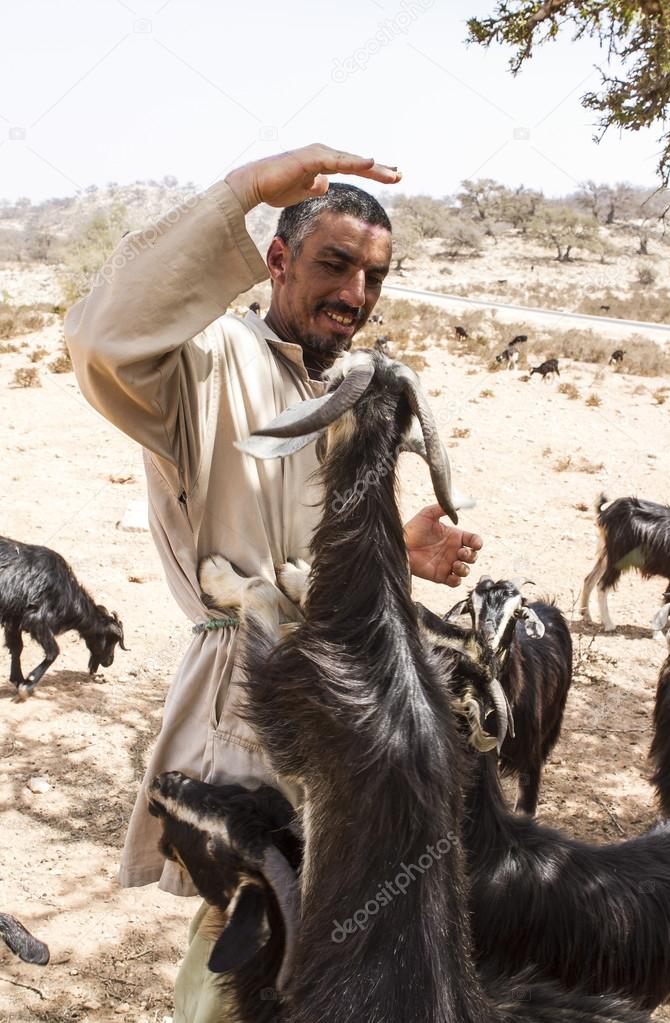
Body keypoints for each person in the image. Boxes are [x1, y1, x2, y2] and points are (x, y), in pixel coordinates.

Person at [65, 143, 482, 1021]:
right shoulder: (208, 362)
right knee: (245, 942)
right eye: (335, 265)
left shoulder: (343, 387)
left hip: (346, 715)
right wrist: (244, 191)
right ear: (278, 259)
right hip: (251, 705)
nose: (355, 296)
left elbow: (310, 550)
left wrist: (397, 555)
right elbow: (100, 338)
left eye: (373, 276)